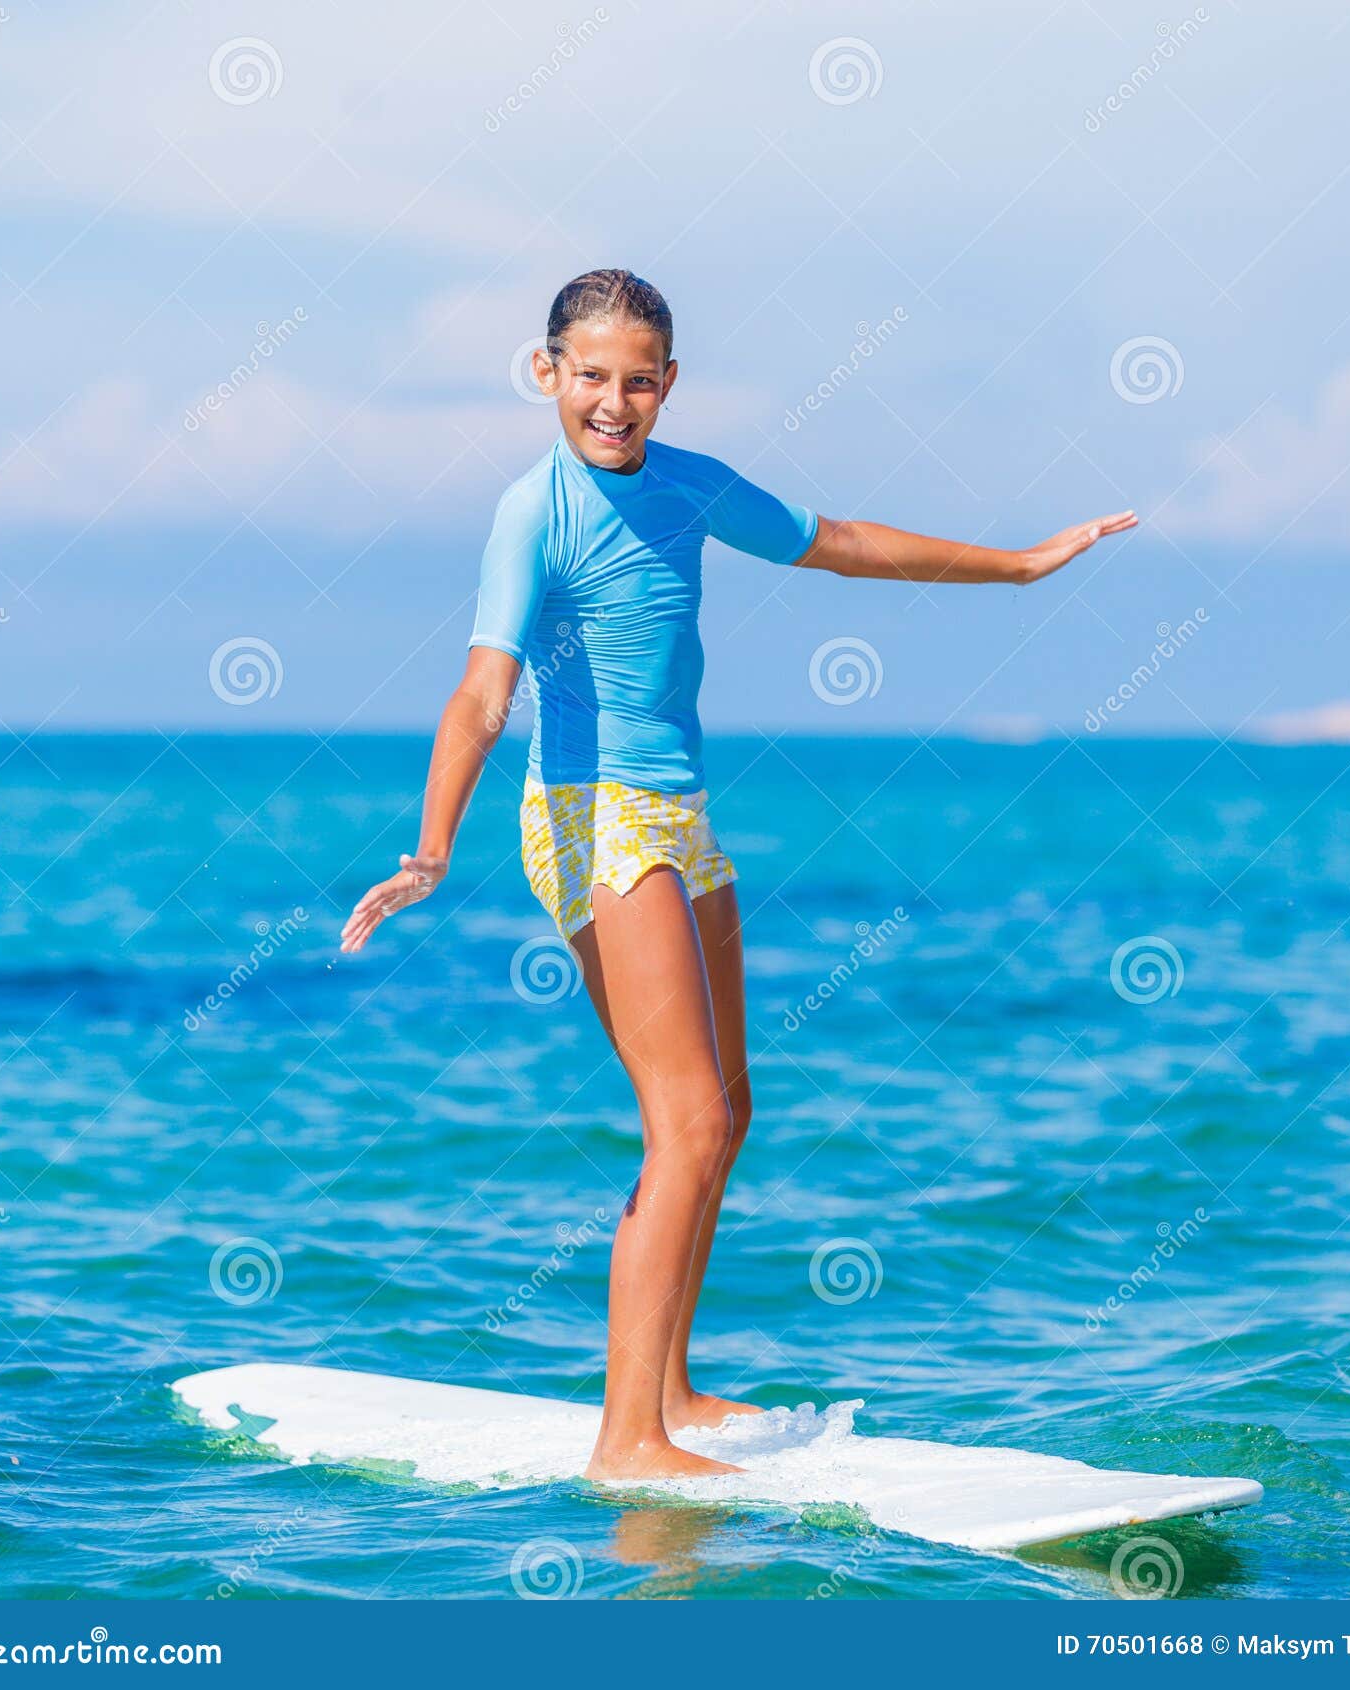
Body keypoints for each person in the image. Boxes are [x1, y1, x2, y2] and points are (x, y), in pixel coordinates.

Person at [340, 268, 1138, 1481]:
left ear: (667, 385)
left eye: (638, 378)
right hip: (591, 817)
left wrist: (1019, 567)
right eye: (591, 374)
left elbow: (839, 543)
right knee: (688, 1120)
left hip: (675, 813)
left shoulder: (690, 484)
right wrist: (432, 846)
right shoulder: (533, 510)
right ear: (546, 371)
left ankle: (665, 1386)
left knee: (724, 1111)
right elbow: (481, 689)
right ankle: (625, 1443)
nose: (614, 400)